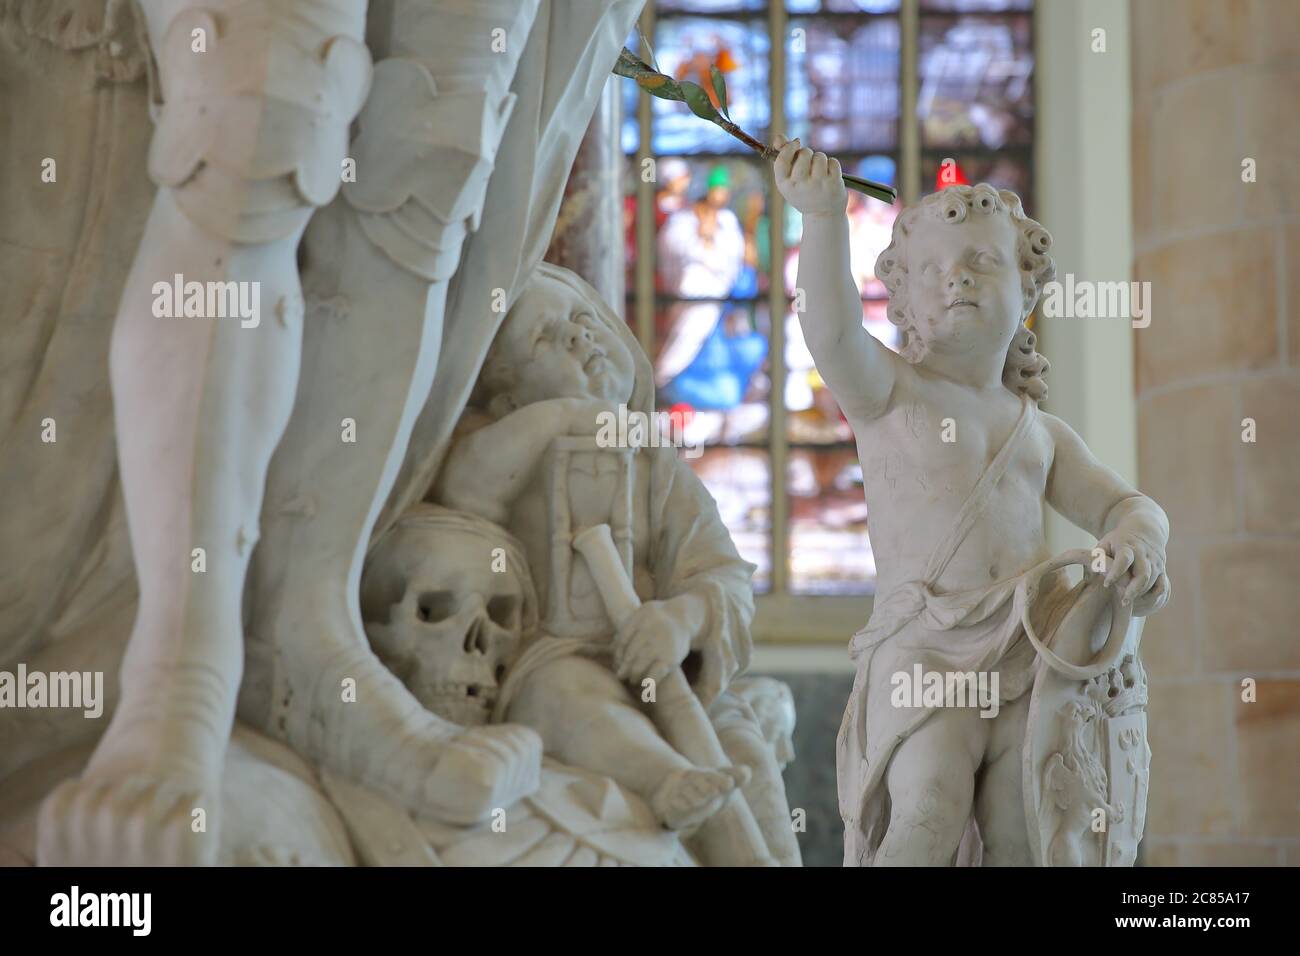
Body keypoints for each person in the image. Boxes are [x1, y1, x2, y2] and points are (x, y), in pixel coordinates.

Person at [773, 134, 1170, 866]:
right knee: (929, 805)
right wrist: (823, 218)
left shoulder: (1039, 432)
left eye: (982, 261)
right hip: (924, 647)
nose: (957, 277)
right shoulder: (888, 393)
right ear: (903, 301)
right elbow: (829, 331)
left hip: (1029, 645)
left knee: (1023, 831)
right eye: (932, 269)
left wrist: (1139, 539)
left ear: (1026, 288)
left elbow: (1128, 505)